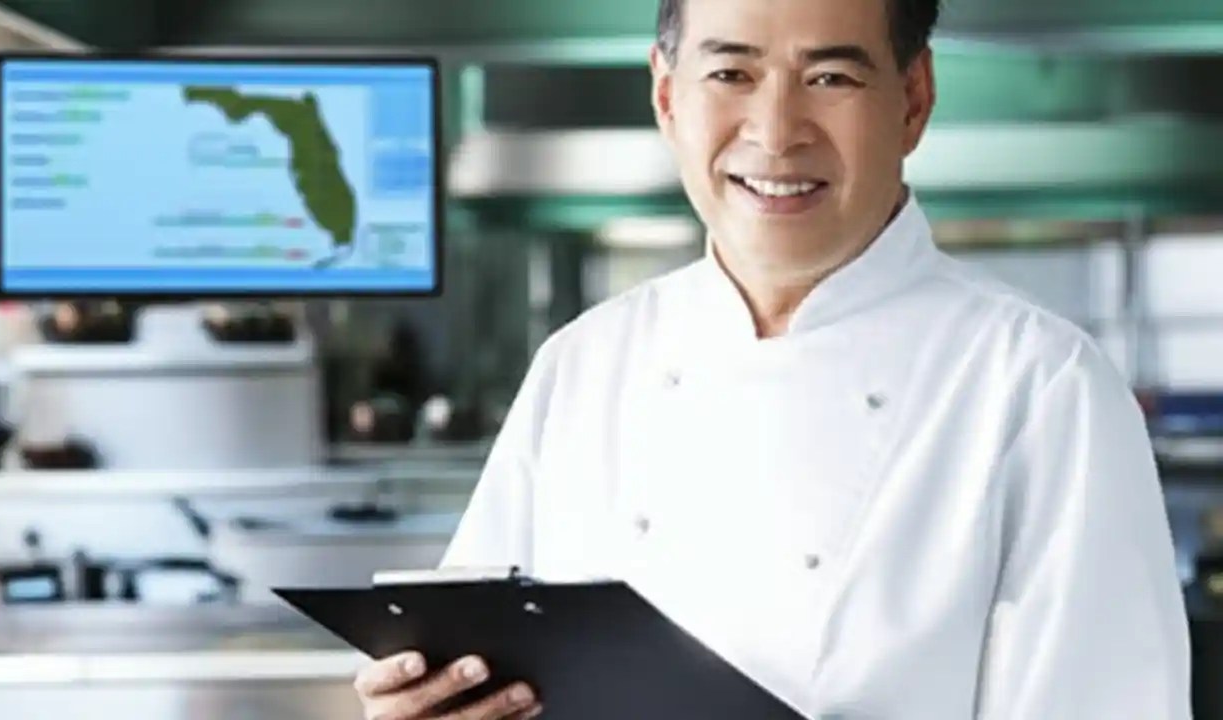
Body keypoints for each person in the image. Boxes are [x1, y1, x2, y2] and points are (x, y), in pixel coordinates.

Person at [355, 0, 1193, 716]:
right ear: (666, 96)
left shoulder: (1038, 386)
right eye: (731, 74)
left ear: (913, 99)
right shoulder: (583, 364)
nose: (776, 132)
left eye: (831, 77)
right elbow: (474, 668)